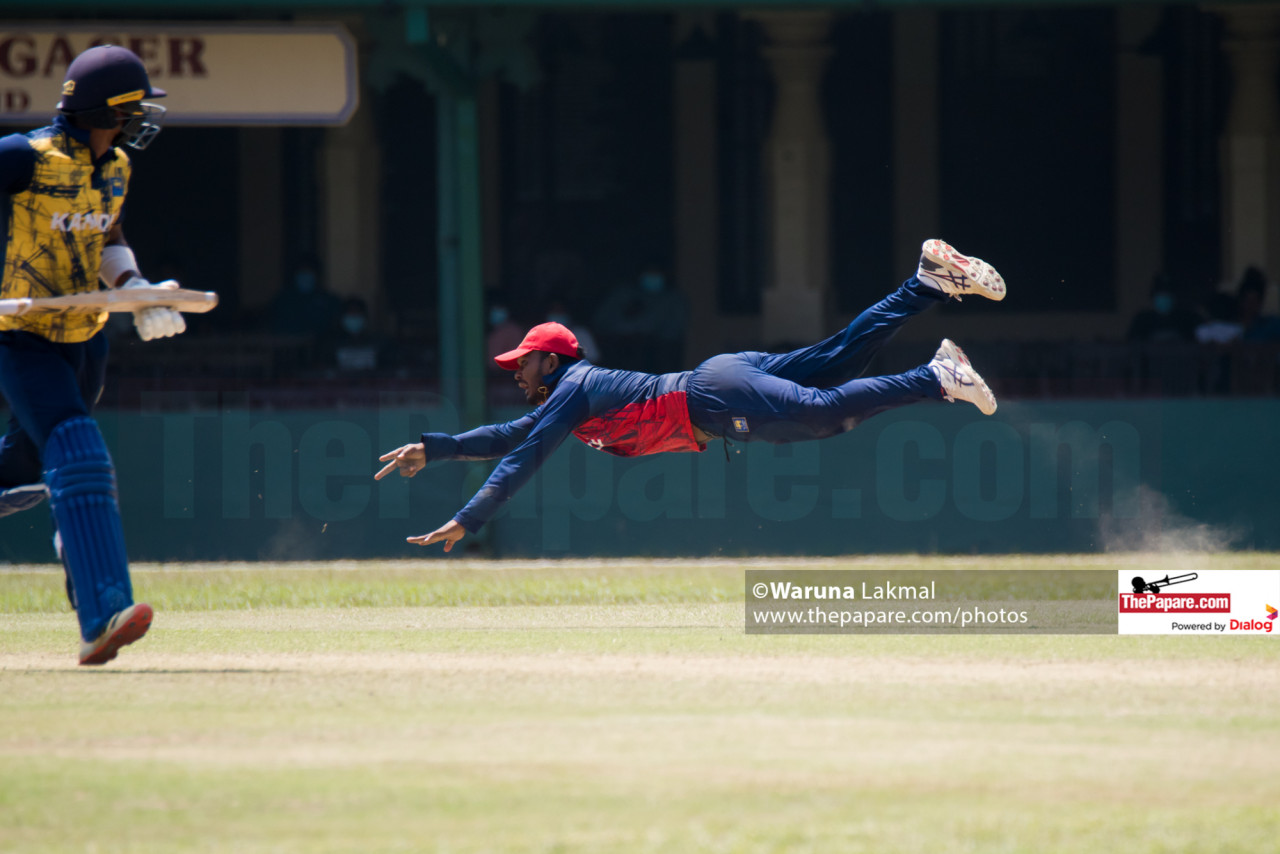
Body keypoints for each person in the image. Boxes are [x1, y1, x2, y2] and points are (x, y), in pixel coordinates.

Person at [377, 239, 1006, 552]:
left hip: (708, 399)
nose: (516, 371)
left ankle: (934, 376)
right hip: (719, 381)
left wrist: (468, 519)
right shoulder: (565, 397)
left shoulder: (575, 385)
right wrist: (436, 449)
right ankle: (927, 281)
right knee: (840, 356)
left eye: (523, 360)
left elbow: (525, 456)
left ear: (554, 356)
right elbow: (511, 436)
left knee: (821, 417)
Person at [0, 45, 186, 664]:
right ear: (110, 110)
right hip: (22, 337)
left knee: (26, 470)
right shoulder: (23, 158)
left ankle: (82, 570)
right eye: (136, 108)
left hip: (87, 340)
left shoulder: (118, 168)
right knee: (79, 452)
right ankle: (102, 612)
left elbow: (107, 235)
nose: (144, 118)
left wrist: (134, 290)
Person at [592, 260, 688, 372]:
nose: (652, 276)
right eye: (649, 272)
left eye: (656, 273)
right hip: (620, 348)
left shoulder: (673, 299)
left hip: (657, 352)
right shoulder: (623, 294)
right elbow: (601, 322)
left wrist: (648, 338)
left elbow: (674, 331)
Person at [1126, 273, 1198, 343]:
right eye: (1160, 294)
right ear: (1153, 296)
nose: (1164, 298)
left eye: (1167, 295)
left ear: (1174, 297)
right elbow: (1130, 344)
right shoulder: (1142, 320)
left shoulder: (1187, 318)